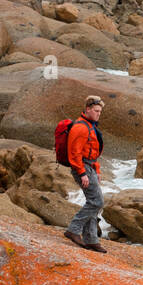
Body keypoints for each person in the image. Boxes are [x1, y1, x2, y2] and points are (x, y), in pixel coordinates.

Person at [63, 96, 107, 253]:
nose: (98, 114)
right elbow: (74, 153)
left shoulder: (90, 126)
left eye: (100, 112)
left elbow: (93, 151)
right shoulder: (81, 128)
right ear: (87, 109)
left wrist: (97, 170)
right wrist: (82, 173)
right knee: (97, 201)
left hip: (90, 167)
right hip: (82, 168)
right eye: (96, 111)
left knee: (94, 201)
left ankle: (91, 240)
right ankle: (73, 229)